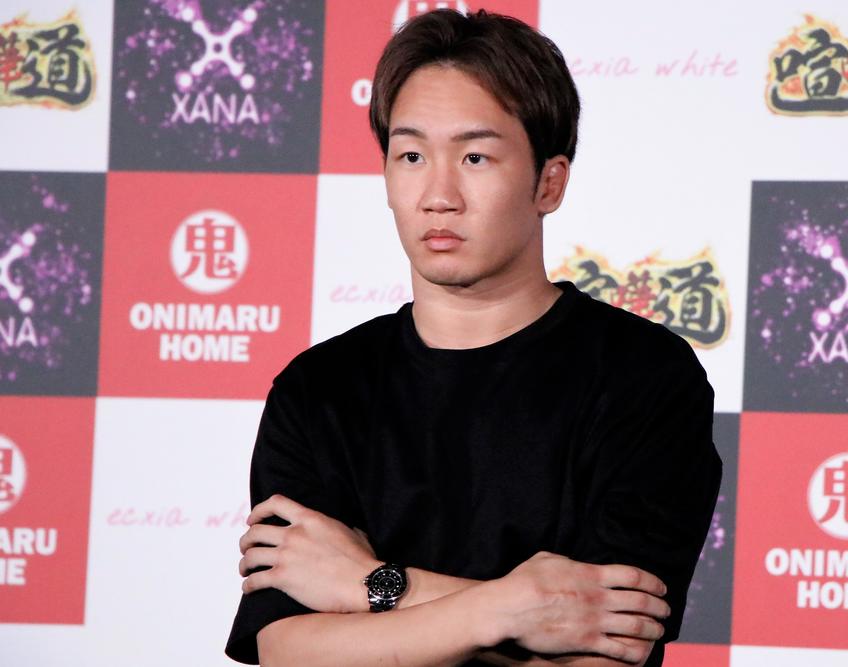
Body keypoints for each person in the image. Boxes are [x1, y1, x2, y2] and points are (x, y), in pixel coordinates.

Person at [225, 8, 721, 667]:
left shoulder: (645, 377)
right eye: (411, 155)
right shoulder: (318, 388)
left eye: (475, 156)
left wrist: (371, 584)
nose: (439, 195)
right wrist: (511, 609)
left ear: (549, 182)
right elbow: (288, 649)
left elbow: (600, 650)